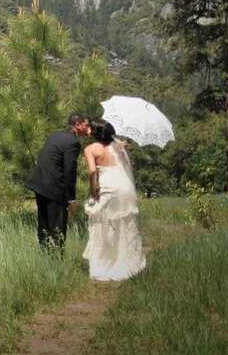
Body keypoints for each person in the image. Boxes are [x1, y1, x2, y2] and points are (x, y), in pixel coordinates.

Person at [82, 118, 146, 281]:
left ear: (96, 132)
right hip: (126, 186)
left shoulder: (90, 149)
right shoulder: (117, 144)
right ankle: (126, 261)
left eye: (90, 129)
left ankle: (107, 262)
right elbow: (122, 149)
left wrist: (93, 189)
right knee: (124, 222)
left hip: (110, 188)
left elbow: (91, 171)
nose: (88, 131)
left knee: (104, 223)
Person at [25, 113, 90, 253]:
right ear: (78, 125)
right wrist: (71, 198)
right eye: (86, 125)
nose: (88, 128)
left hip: (40, 185)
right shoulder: (73, 142)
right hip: (55, 188)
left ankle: (45, 258)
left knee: (44, 225)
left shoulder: (55, 136)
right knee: (57, 228)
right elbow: (69, 171)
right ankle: (56, 261)